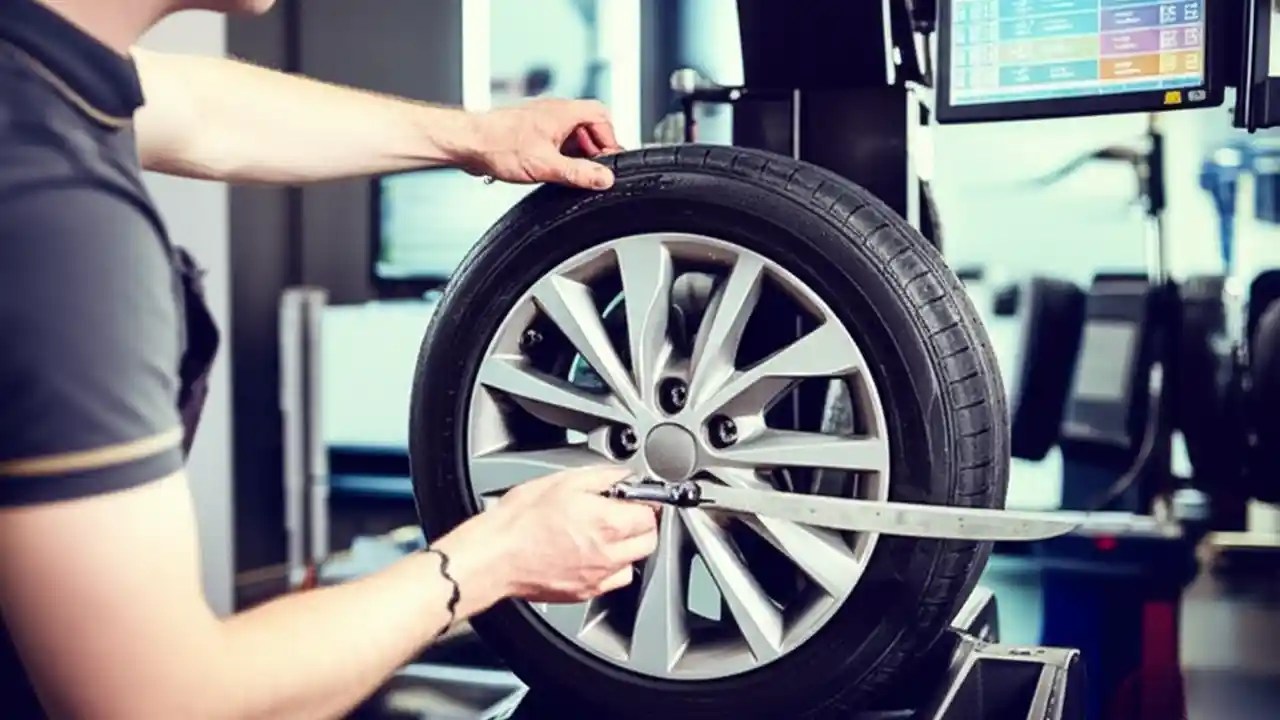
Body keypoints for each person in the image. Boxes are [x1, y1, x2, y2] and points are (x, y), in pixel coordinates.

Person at [0, 0, 660, 717]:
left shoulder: (35, 78)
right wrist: (495, 558)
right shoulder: (55, 217)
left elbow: (194, 109)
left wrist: (476, 134)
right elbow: (159, 705)